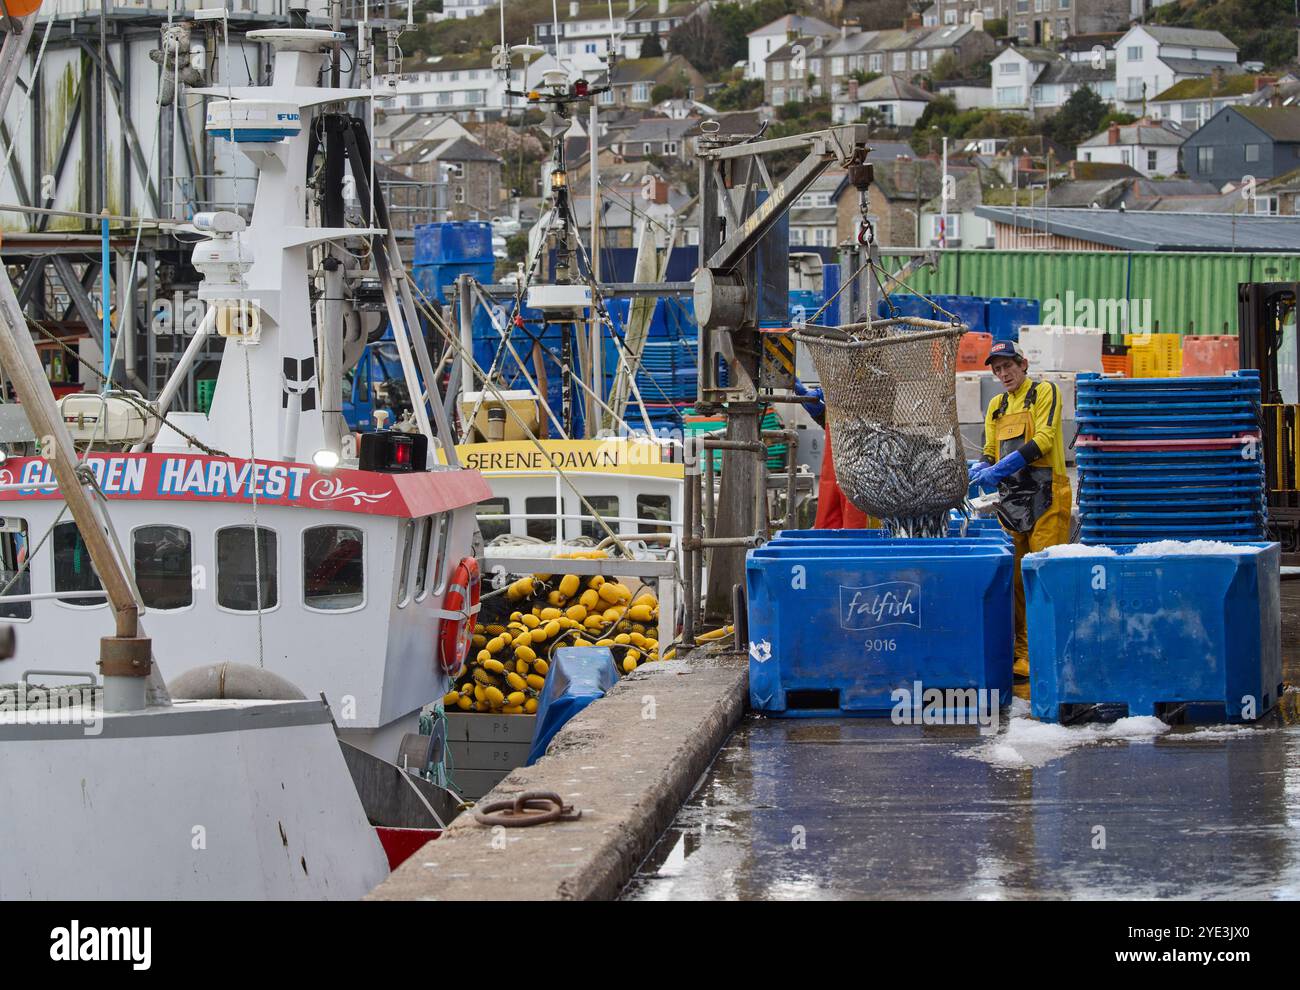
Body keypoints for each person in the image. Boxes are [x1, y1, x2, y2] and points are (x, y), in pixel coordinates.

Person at [970, 340, 1072, 679]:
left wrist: (1001, 467)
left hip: (1047, 494)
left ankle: (1053, 652)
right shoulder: (996, 406)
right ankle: (1024, 656)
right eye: (997, 370)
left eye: (1008, 367)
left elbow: (1044, 438)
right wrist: (981, 465)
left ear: (1023, 364)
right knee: (1014, 581)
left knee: (1043, 576)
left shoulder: (1045, 392)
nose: (1003, 374)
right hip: (1011, 502)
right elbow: (988, 449)